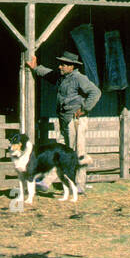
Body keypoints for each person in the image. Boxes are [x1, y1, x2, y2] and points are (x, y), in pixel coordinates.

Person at [26, 50, 101, 192]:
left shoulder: (79, 78)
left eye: (63, 64)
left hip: (76, 120)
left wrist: (84, 109)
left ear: (72, 66)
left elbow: (95, 92)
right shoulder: (63, 77)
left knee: (77, 152)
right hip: (65, 119)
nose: (60, 67)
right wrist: (36, 67)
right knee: (63, 151)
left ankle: (78, 184)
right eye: (60, 64)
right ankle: (51, 182)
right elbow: (50, 74)